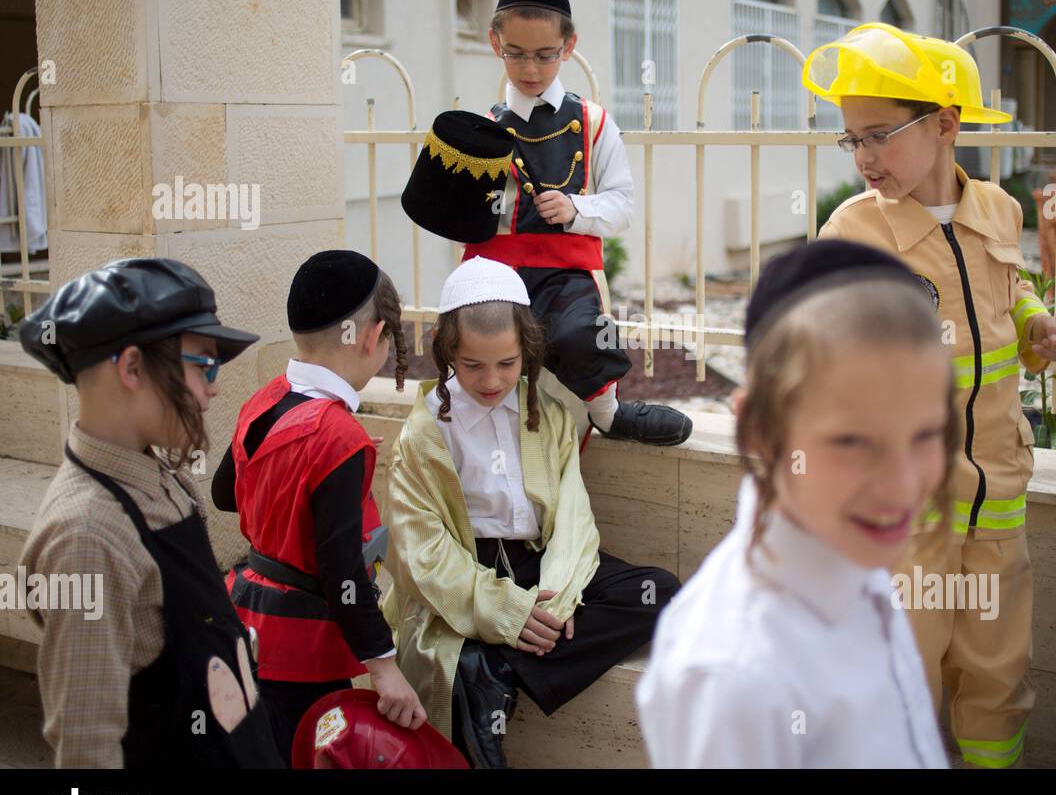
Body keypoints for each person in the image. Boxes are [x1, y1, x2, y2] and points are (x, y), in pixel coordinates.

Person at [808, 22, 1056, 767]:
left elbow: (1010, 290)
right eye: (851, 140)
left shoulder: (998, 209)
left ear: (946, 123)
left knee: (997, 665)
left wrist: (1037, 325)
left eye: (878, 136)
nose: (862, 158)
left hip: (997, 490)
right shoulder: (851, 230)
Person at [636, 240, 956, 767]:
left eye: (926, 435)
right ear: (759, 430)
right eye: (853, 442)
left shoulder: (853, 549)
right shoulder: (734, 678)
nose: (901, 488)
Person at [382, 256, 680, 768]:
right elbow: (420, 551)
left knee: (659, 593)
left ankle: (495, 668)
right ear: (449, 351)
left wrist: (558, 596)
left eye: (507, 363)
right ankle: (492, 661)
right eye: (472, 365)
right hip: (466, 571)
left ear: (527, 351)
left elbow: (573, 517)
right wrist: (504, 612)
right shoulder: (425, 432)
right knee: (446, 650)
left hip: (539, 566)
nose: (491, 380)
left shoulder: (549, 413)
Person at [401, 0, 691, 449]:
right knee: (474, 340)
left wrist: (575, 208)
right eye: (516, 53)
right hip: (496, 270)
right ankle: (463, 434)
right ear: (496, 43)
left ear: (568, 46)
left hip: (565, 269)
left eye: (544, 55)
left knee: (582, 334)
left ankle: (610, 414)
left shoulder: (595, 123)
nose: (530, 69)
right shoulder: (485, 130)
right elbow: (457, 222)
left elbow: (622, 207)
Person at [19, 258, 281, 767]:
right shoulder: (88, 535)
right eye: (204, 364)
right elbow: (87, 751)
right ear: (132, 367)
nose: (215, 387)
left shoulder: (162, 477)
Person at [212, 250, 425, 761]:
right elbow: (341, 570)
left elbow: (225, 492)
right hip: (306, 647)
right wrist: (384, 666)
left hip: (246, 621)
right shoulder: (338, 436)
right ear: (373, 337)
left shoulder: (264, 399)